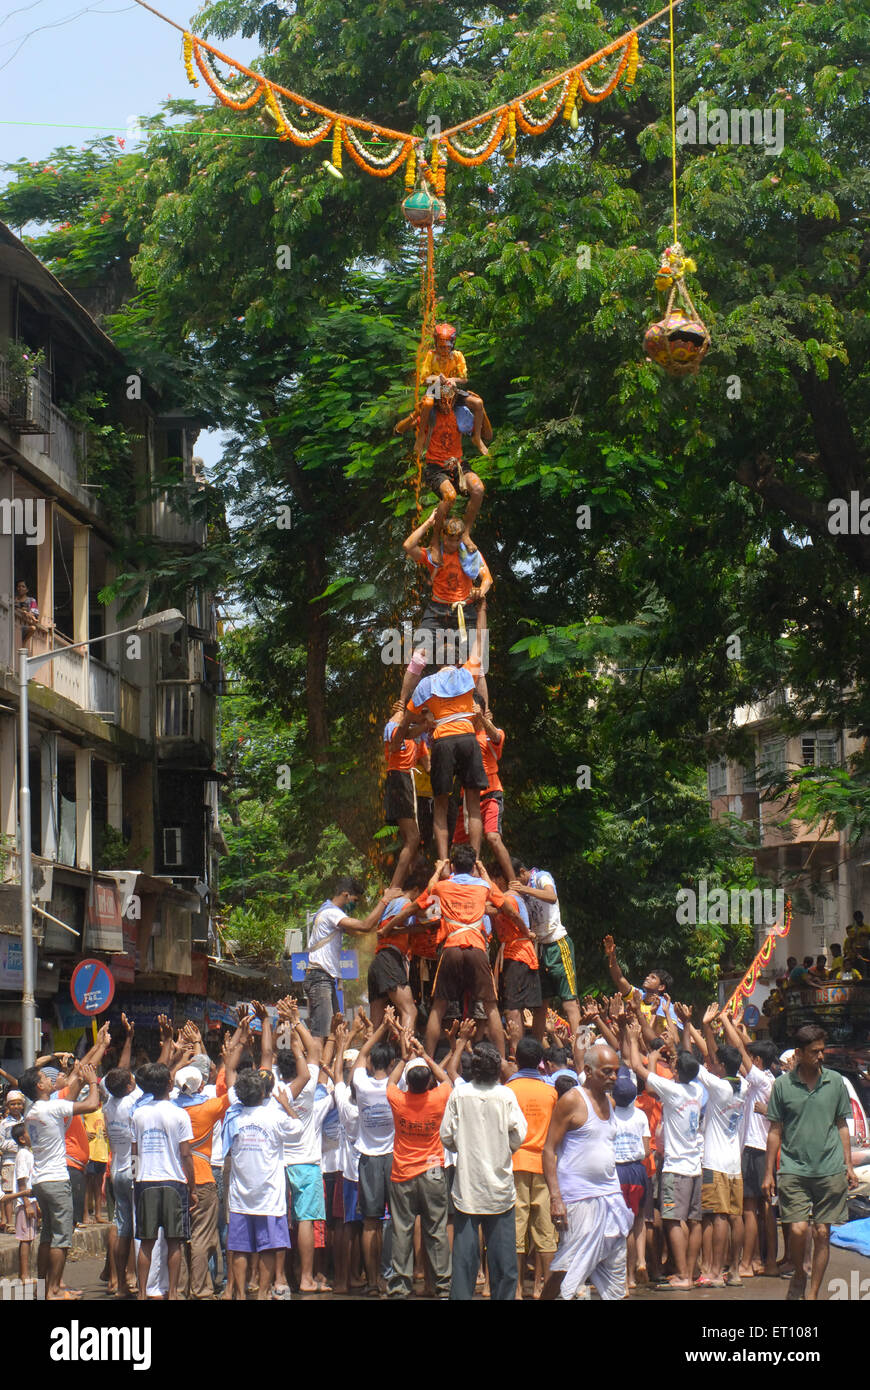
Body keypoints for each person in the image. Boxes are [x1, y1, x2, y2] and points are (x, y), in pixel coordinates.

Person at [762, 1023, 859, 1301]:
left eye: (822, 1050)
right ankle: (800, 1274)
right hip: (793, 1168)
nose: (820, 1056)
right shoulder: (782, 1085)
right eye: (815, 1051)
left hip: (829, 1170)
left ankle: (812, 1294)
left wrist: (848, 1166)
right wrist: (769, 1173)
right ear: (800, 1053)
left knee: (822, 1233)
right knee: (798, 1228)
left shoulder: (835, 1082)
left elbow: (841, 1125)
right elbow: (775, 1131)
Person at [541, 1045, 633, 1301]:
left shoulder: (611, 1103)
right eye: (607, 1072)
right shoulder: (571, 1100)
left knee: (616, 1274)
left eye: (616, 1071)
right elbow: (548, 1150)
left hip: (611, 1197)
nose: (613, 1077)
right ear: (588, 1071)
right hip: (578, 1199)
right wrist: (556, 1198)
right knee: (568, 1268)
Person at [440, 1040, 526, 1300]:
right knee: (504, 1266)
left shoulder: (459, 1094)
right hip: (500, 1190)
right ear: (496, 1069)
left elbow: (446, 1137)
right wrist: (501, 1148)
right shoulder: (506, 1095)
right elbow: (519, 1135)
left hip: (467, 1188)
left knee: (464, 1265)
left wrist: (465, 1146)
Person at [416, 847, 521, 1058]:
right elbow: (505, 906)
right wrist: (482, 870)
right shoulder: (484, 885)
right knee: (491, 1005)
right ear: (473, 865)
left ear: (452, 866)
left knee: (438, 1006)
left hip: (452, 947)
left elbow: (429, 890)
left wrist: (438, 870)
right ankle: (501, 1061)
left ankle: (427, 1060)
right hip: (476, 947)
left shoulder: (443, 886)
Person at [625, 1020, 704, 1289]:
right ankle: (690, 1272)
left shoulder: (673, 1089)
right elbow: (686, 1065)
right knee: (693, 1221)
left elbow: (638, 1069)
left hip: (676, 1166)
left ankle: (683, 1275)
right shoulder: (696, 1089)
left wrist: (644, 1050)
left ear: (676, 1072)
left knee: (671, 1220)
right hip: (695, 1166)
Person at [20, 1059, 100, 1300]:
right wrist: (94, 1083)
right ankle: (53, 1290)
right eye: (44, 1078)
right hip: (56, 1179)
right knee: (62, 1238)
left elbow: (68, 1101)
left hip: (41, 1180)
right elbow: (91, 1104)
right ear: (39, 1086)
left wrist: (78, 1075)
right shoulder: (50, 1108)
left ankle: (46, 1288)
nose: (49, 1080)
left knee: (47, 1235)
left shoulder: (32, 1112)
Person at [222, 1068, 303, 1301]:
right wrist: (286, 1104)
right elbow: (297, 1129)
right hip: (269, 1196)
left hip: (240, 1196)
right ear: (262, 1093)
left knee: (240, 1247)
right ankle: (262, 1293)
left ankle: (239, 1293)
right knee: (267, 1247)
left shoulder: (232, 1117)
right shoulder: (274, 1116)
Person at [398, 509, 492, 708]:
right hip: (436, 609)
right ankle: (401, 705)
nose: (452, 544)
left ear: (461, 539)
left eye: (457, 540)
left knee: (477, 662)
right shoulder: (435, 555)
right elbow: (408, 545)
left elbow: (488, 579)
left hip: (464, 611)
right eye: (449, 540)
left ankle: (485, 713)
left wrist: (479, 591)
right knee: (419, 655)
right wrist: (429, 522)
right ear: (443, 536)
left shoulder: (471, 555)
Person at [271, 997, 334, 1295]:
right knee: (306, 1221)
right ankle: (306, 1277)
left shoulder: (272, 1087)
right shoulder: (307, 1086)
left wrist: (279, 1025)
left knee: (281, 1220)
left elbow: (270, 1053)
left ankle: (280, 1277)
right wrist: (295, 1019)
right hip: (307, 1163)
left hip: (279, 1164)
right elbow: (316, 1051)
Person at [385, 1029, 453, 1299]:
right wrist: (425, 1055)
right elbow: (446, 1078)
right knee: (436, 1229)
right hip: (434, 1170)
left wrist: (404, 1059)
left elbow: (389, 1083)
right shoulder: (438, 1098)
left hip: (403, 1173)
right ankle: (442, 1286)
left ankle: (400, 1286)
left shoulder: (398, 1100)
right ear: (428, 1084)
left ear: (408, 1083)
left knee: (401, 1230)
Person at [718, 1012, 779, 1278]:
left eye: (753, 1060)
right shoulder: (767, 1079)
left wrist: (725, 1021)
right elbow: (745, 1050)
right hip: (759, 1151)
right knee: (758, 1209)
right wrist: (737, 1029)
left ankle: (747, 1263)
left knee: (749, 1209)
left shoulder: (763, 1080)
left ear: (759, 1062)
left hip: (755, 1150)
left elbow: (742, 1051)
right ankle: (756, 1259)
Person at [130, 1062, 198, 1301]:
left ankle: (141, 1293)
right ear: (170, 1084)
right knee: (174, 1242)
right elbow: (186, 1154)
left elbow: (134, 1152)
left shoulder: (138, 1114)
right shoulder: (180, 1114)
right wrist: (192, 1186)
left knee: (146, 1242)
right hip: (173, 1182)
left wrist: (136, 1178)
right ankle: (172, 1293)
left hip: (145, 1181)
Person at [304, 877, 400, 1037]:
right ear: (345, 894)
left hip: (324, 978)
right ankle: (315, 1062)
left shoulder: (326, 911)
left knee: (335, 1031)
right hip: (320, 978)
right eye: (354, 900)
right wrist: (386, 900)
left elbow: (361, 931)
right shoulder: (331, 913)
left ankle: (324, 1061)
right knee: (323, 1032)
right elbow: (364, 926)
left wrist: (387, 927)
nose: (355, 904)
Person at [696, 1008, 748, 1288]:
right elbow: (723, 1055)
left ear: (721, 1067)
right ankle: (735, 1271)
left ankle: (714, 1272)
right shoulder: (743, 1085)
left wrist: (704, 1028)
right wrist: (709, 1028)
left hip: (714, 1164)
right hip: (734, 1165)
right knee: (734, 1217)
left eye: (715, 1064)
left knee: (717, 1217)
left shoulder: (719, 1088)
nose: (710, 1065)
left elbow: (707, 1056)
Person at [507, 1036, 558, 1299]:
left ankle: (516, 1290)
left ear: (515, 1058)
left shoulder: (508, 1090)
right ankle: (545, 1289)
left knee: (516, 1229)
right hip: (544, 1166)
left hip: (514, 1164)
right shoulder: (550, 1092)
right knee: (545, 1230)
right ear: (540, 1061)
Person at [353, 1010, 398, 1294]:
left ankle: (371, 1281)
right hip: (394, 1158)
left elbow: (360, 1055)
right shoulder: (396, 1086)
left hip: (368, 1159)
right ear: (391, 1064)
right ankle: (389, 1278)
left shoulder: (361, 1084)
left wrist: (380, 1027)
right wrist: (392, 1028)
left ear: (371, 1064)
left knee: (370, 1222)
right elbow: (406, 1059)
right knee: (395, 1219)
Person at [511, 863, 581, 1033]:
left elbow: (551, 896)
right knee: (540, 1004)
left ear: (521, 872)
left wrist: (525, 889)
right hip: (539, 948)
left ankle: (582, 1050)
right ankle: (537, 1053)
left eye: (516, 879)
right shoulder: (518, 892)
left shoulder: (541, 877)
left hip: (558, 944)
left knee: (570, 1001)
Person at [452, 695, 512, 880]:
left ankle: (513, 882)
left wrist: (483, 718)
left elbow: (496, 736)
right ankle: (456, 879)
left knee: (493, 837)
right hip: (468, 795)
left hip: (491, 792)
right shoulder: (462, 734)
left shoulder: (491, 733)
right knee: (457, 843)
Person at [369, 865, 429, 1033]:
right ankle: (407, 1054)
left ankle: (368, 1057)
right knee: (409, 1010)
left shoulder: (391, 903)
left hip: (378, 962)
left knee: (377, 1021)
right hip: (390, 958)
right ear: (416, 890)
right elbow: (422, 918)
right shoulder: (405, 903)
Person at [491, 866, 545, 1043]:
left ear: (500, 879)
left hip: (518, 954)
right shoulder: (514, 897)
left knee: (512, 1007)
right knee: (518, 1007)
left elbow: (511, 915)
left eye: (493, 879)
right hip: (518, 953)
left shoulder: (508, 898)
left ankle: (516, 1051)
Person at [383, 699, 431, 890]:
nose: (427, 716)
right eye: (425, 711)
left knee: (410, 840)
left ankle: (410, 885)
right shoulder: (395, 723)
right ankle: (394, 887)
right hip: (398, 777)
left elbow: (428, 766)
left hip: (407, 782)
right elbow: (394, 745)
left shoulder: (419, 737)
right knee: (413, 838)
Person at [611, 1066, 651, 1288]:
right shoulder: (641, 1115)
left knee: (620, 1225)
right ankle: (639, 1265)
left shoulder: (609, 1115)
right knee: (638, 1221)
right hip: (637, 1171)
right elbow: (646, 1151)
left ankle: (624, 1278)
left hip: (617, 1171)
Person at [602, 933, 679, 1039]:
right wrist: (612, 956)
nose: (647, 978)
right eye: (648, 976)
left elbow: (670, 1035)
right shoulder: (637, 996)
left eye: (653, 977)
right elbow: (619, 979)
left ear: (661, 987)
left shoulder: (666, 1008)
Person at [0, 1089, 26, 1230]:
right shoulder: (3, 1124)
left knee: (25, 1188)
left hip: (23, 1160)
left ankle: (25, 1219)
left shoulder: (26, 1120)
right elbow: (1, 1143)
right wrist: (15, 1145)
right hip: (9, 1161)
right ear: (8, 1106)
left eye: (18, 1104)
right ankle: (10, 1222)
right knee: (9, 1192)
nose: (16, 1107)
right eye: (12, 1104)